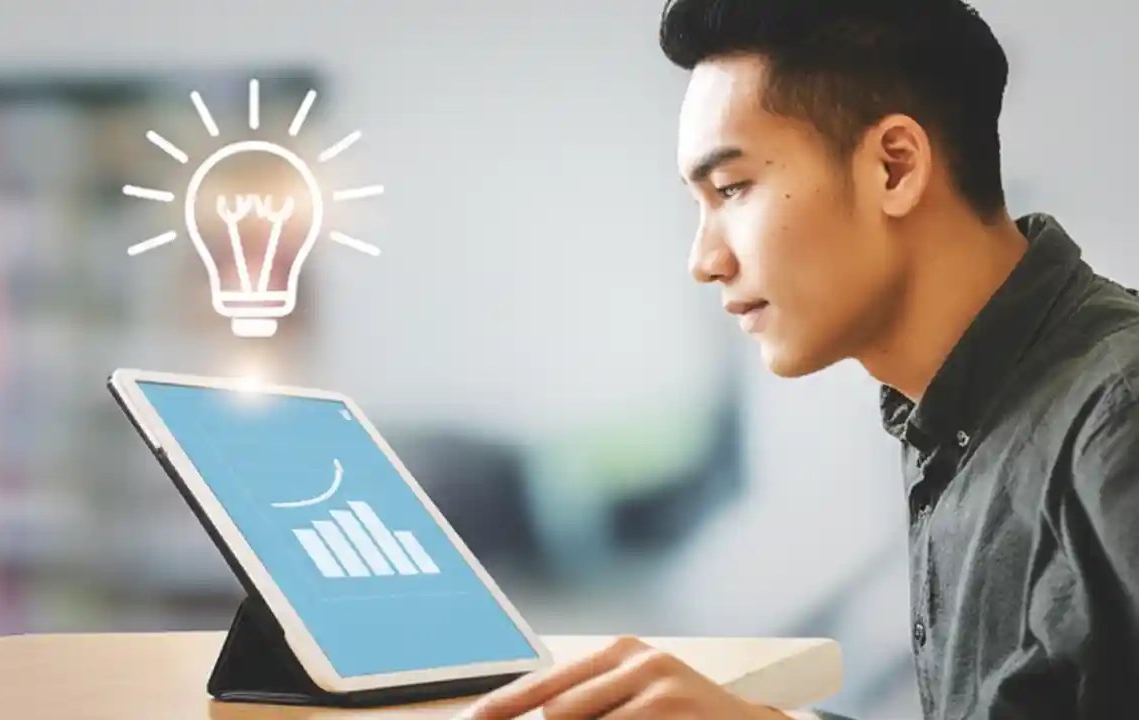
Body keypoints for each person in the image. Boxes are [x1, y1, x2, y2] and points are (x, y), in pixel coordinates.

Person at [458, 0, 1139, 718]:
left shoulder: (1117, 413)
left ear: (893, 166)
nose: (704, 260)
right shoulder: (958, 419)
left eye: (732, 189)